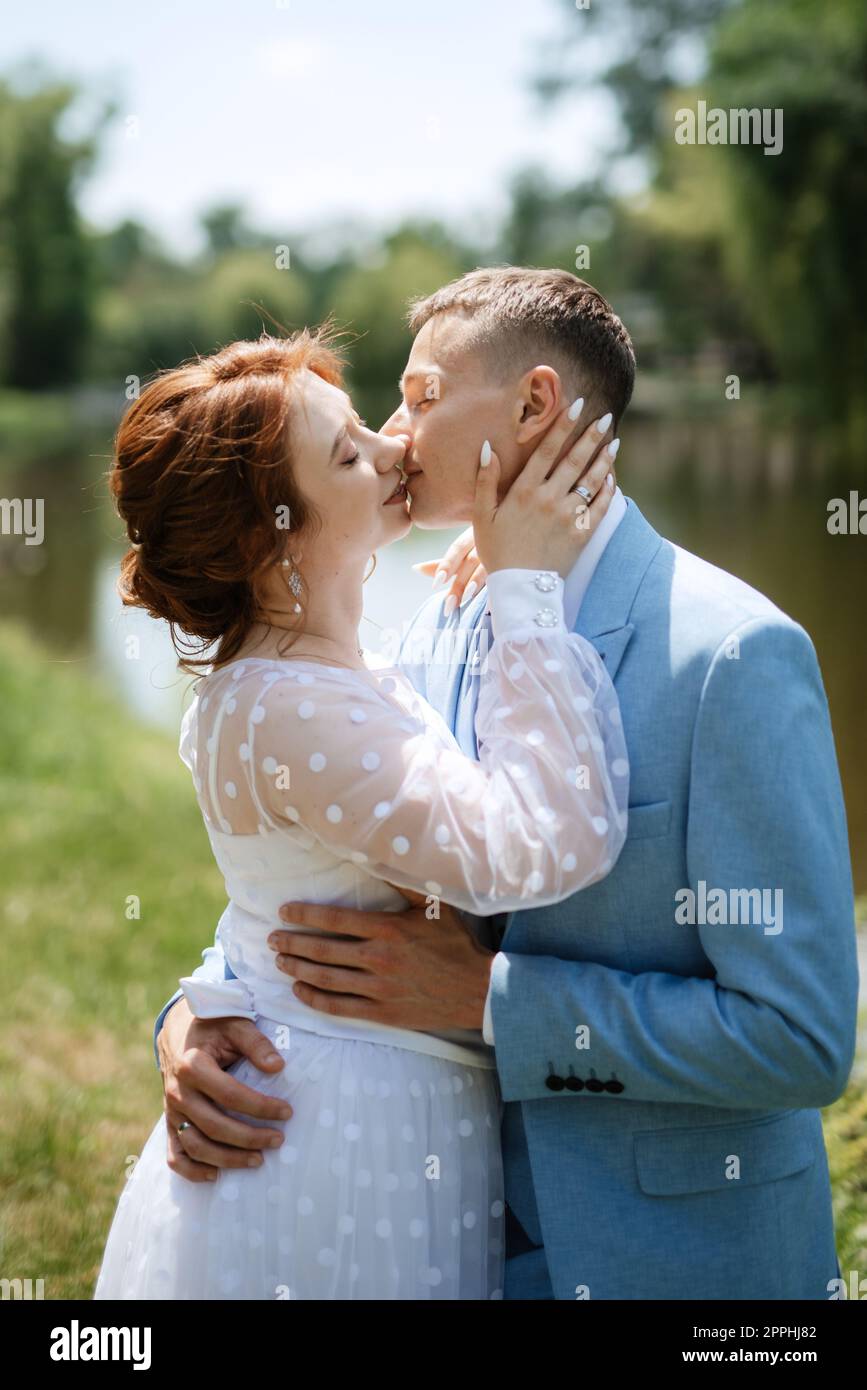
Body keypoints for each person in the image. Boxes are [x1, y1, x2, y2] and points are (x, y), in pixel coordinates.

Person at [154, 268, 860, 1301]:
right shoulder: (431, 622)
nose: (395, 434)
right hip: (441, 1240)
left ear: (533, 404)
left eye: (423, 396)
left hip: (679, 1273)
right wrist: (192, 1013)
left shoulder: (731, 655)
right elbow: (338, 866)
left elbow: (801, 1040)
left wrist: (494, 1003)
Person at [93, 322, 629, 1300]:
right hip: (337, 1145)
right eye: (349, 451)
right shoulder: (284, 702)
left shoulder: (319, 672)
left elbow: (279, 897)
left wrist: (192, 1010)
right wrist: (525, 592)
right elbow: (527, 850)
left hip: (353, 1108)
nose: (397, 446)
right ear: (275, 533)